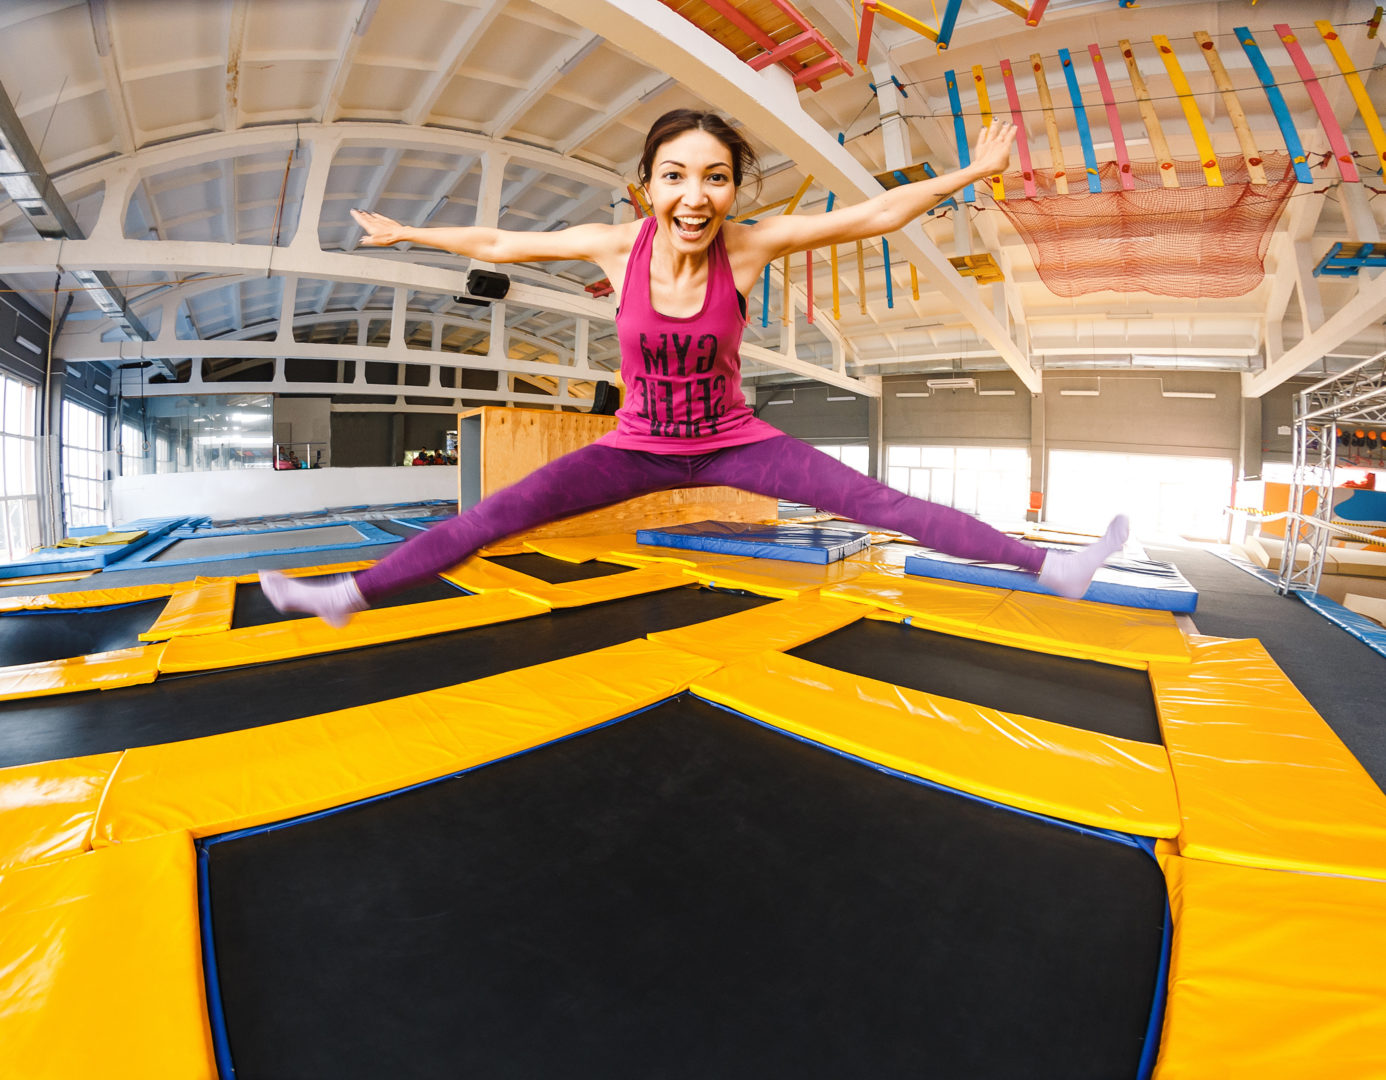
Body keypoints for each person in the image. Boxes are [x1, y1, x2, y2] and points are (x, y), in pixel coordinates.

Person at [260, 109, 1127, 627]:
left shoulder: (747, 250)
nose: (695, 195)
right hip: (634, 445)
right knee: (497, 515)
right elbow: (497, 241)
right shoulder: (615, 242)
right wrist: (413, 234)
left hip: (733, 443)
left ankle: (1051, 568)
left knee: (882, 503)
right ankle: (353, 593)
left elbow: (875, 214)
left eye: (716, 178)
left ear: (734, 190)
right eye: (675, 176)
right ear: (647, 186)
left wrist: (969, 173)